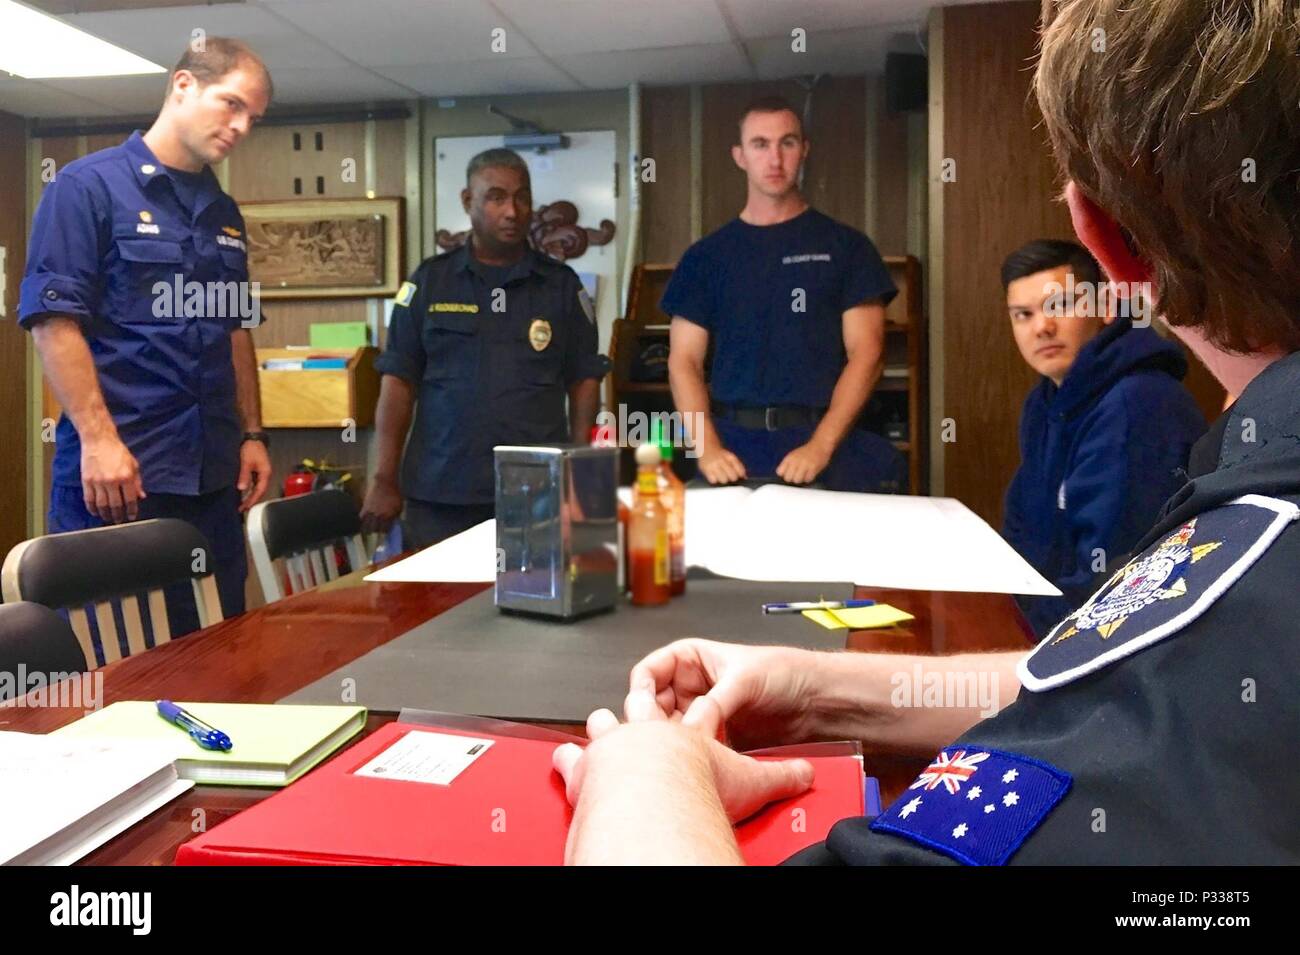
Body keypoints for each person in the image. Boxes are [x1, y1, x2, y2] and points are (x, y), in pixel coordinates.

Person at [551, 0, 1300, 865]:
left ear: (1109, 250)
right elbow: (1125, 653)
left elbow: (1146, 693)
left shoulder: (1253, 538)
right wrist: (820, 687)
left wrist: (645, 775)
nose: (1043, 328)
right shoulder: (1242, 496)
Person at [19, 38, 273, 649]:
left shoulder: (223, 210)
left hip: (212, 481)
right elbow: (55, 322)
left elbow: (234, 327)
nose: (239, 127)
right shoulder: (87, 189)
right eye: (231, 104)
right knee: (117, 665)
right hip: (120, 480)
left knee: (219, 651)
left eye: (253, 118)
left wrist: (253, 433)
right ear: (183, 85)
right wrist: (101, 442)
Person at [360, 149, 607, 550]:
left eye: (522, 197)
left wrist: (576, 471)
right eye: (496, 197)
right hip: (441, 494)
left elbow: (583, 380)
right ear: (467, 201)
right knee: (435, 611)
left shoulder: (561, 286)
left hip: (536, 493)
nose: (512, 211)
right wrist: (384, 480)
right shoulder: (430, 282)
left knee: (531, 607)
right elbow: (398, 382)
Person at [662, 96, 902, 492]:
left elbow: (869, 354)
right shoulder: (705, 257)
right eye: (760, 144)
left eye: (787, 143)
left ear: (804, 150)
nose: (774, 159)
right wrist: (706, 450)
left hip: (822, 441)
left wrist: (820, 447)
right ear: (739, 156)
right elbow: (683, 361)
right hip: (730, 447)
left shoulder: (847, 248)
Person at [1000, 239, 1205, 636]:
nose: (1041, 327)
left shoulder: (1137, 405)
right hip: (1044, 628)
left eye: (1060, 305)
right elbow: (1022, 526)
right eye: (1022, 315)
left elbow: (1113, 576)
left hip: (1111, 644)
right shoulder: (1044, 402)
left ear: (1106, 306)